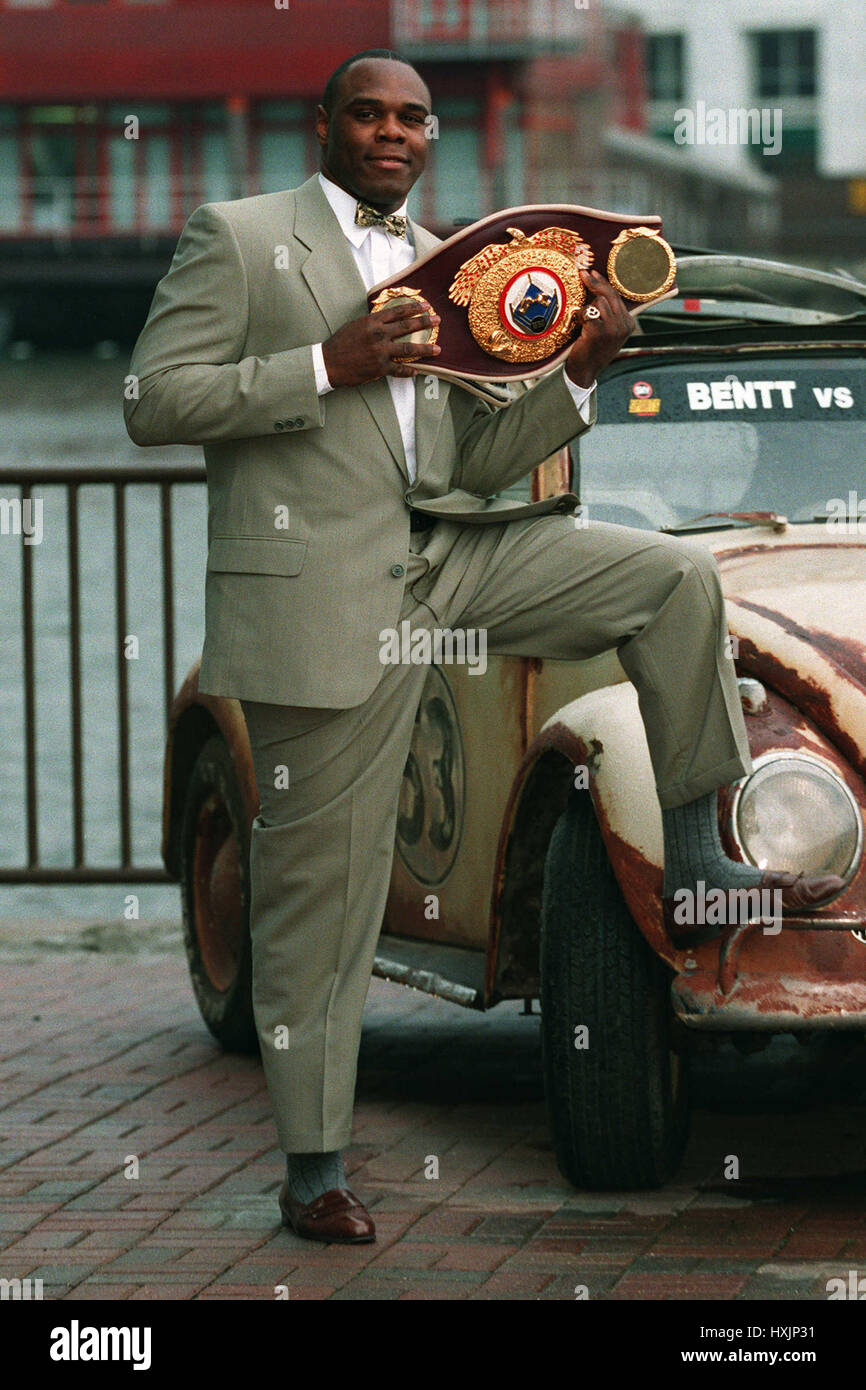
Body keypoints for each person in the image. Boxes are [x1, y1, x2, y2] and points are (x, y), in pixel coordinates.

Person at [124, 49, 843, 1245]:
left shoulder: (450, 264)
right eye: (367, 113)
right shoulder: (240, 238)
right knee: (319, 898)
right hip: (321, 593)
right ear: (324, 124)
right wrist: (327, 363)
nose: (390, 133)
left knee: (668, 576)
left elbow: (471, 462)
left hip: (455, 556)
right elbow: (151, 400)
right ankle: (313, 1167)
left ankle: (694, 851)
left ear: (429, 138)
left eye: (411, 119)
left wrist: (582, 372)